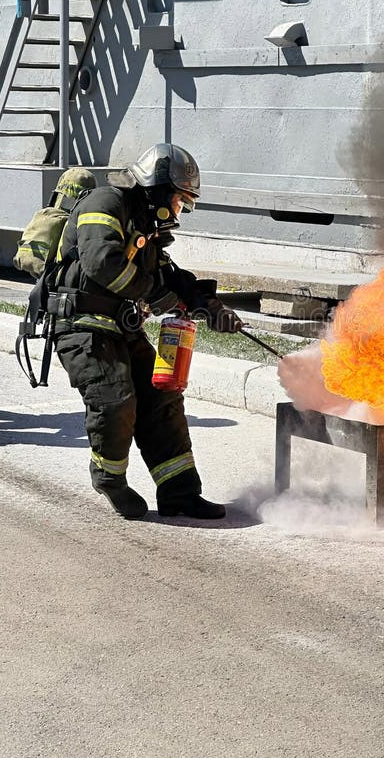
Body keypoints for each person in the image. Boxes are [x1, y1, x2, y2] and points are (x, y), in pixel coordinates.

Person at [52, 143, 243, 520]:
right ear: (158, 189)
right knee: (115, 398)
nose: (178, 211)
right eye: (178, 202)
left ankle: (179, 492)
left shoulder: (144, 224)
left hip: (120, 328)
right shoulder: (104, 203)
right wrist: (157, 294)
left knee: (162, 399)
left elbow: (169, 276)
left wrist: (209, 306)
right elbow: (102, 263)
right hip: (81, 324)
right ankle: (110, 478)